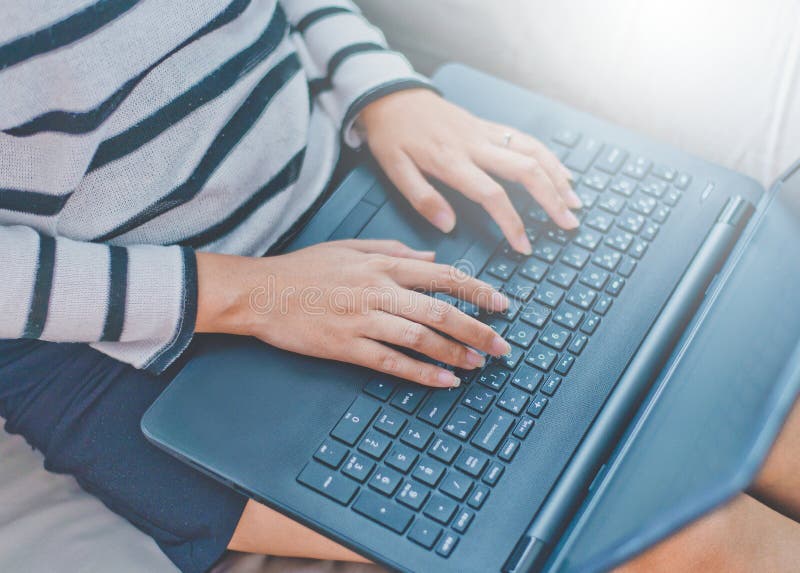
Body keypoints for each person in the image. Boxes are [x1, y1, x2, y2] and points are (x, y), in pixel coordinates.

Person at [1, 2, 796, 573]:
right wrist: (255, 294)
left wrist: (384, 89)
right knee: (671, 537)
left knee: (754, 404)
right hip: (123, 340)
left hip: (336, 167)